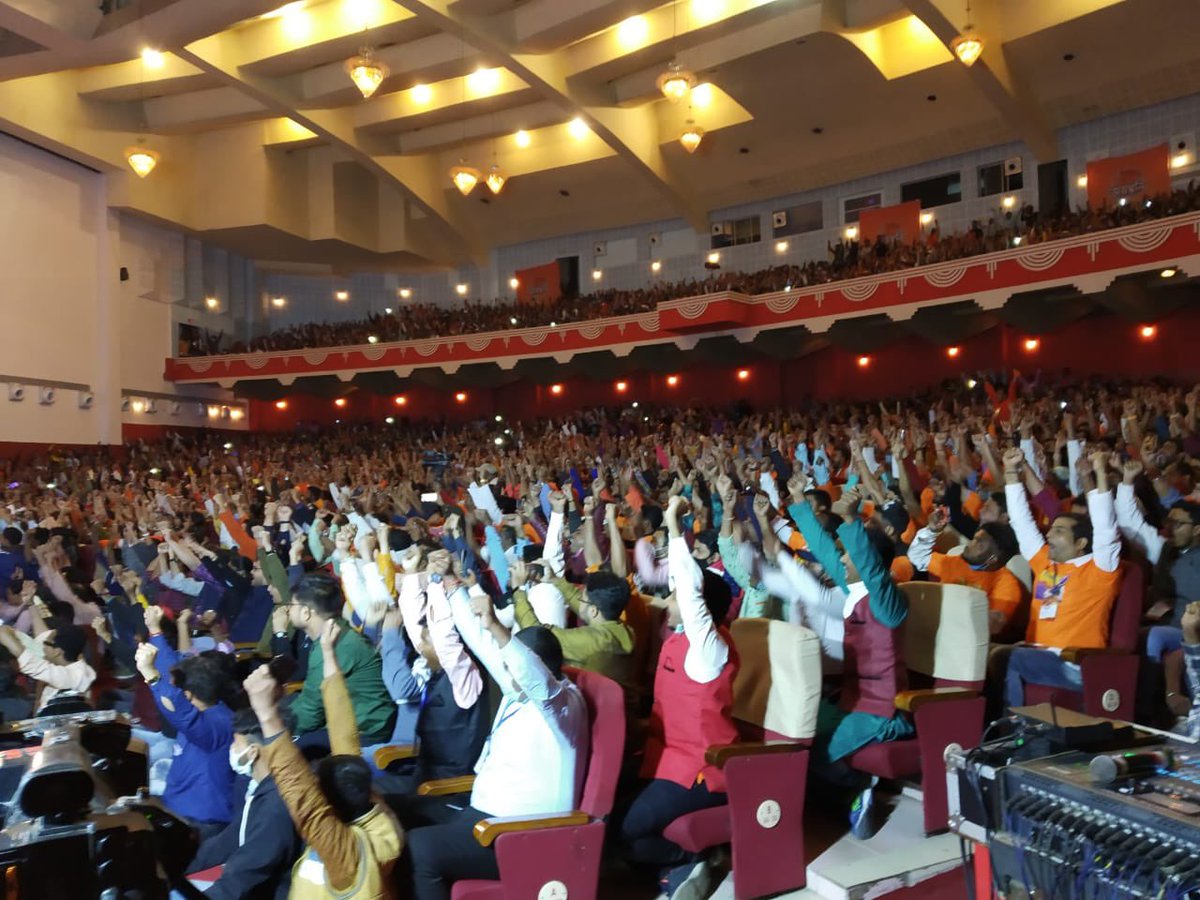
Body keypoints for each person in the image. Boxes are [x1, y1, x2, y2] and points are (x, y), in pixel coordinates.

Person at [403, 575, 588, 900]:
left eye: (512, 663)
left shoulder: (562, 706)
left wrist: (499, 629)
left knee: (419, 848)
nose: (505, 669)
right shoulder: (516, 688)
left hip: (520, 834)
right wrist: (454, 588)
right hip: (484, 815)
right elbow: (481, 643)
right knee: (396, 810)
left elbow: (532, 675)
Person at [619, 495, 737, 899]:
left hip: (700, 769)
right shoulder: (680, 638)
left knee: (628, 831)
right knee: (609, 812)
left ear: (698, 609)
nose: (666, 600)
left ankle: (689, 860)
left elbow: (688, 586)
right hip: (666, 757)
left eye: (675, 596)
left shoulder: (709, 648)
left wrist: (672, 523)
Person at [243, 620, 404, 899]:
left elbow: (304, 801)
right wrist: (329, 655)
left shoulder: (347, 855)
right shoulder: (369, 807)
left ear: (328, 803)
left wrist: (267, 714)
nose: (312, 781)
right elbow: (345, 736)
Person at [1000, 447, 1122, 709]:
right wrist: (1011, 472)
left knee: (1012, 658)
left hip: (1077, 666)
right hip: (1041, 656)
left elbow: (1106, 529)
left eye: (1058, 532)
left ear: (1080, 543)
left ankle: (1016, 727)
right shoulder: (1046, 563)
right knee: (997, 655)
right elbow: (1022, 523)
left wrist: (1100, 472)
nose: (1049, 536)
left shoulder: (1099, 569)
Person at [185, 708, 303, 900]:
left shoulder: (276, 806)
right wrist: (179, 866)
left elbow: (247, 870)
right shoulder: (262, 787)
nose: (232, 748)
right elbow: (230, 839)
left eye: (236, 743)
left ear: (253, 752)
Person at [134, 638, 235, 838]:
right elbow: (171, 669)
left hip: (200, 824)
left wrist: (151, 676)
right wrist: (155, 638)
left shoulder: (219, 724)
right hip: (177, 807)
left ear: (187, 696)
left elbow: (179, 710)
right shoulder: (210, 709)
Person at [286, 573, 396, 748]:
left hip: (365, 731)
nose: (287, 609)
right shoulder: (337, 633)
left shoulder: (336, 645)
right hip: (354, 721)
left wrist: (276, 729)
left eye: (291, 605)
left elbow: (311, 710)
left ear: (306, 613)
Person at [906, 505, 1024, 640]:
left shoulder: (1006, 584)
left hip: (966, 643)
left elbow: (993, 626)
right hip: (936, 631)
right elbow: (917, 557)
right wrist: (931, 531)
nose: (970, 545)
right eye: (974, 538)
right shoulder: (956, 562)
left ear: (993, 558)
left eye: (979, 544)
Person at [0, 621, 93, 712]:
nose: (42, 648)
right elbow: (38, 639)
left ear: (57, 651)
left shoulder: (76, 675)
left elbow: (34, 665)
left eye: (45, 644)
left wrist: (4, 634)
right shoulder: (68, 663)